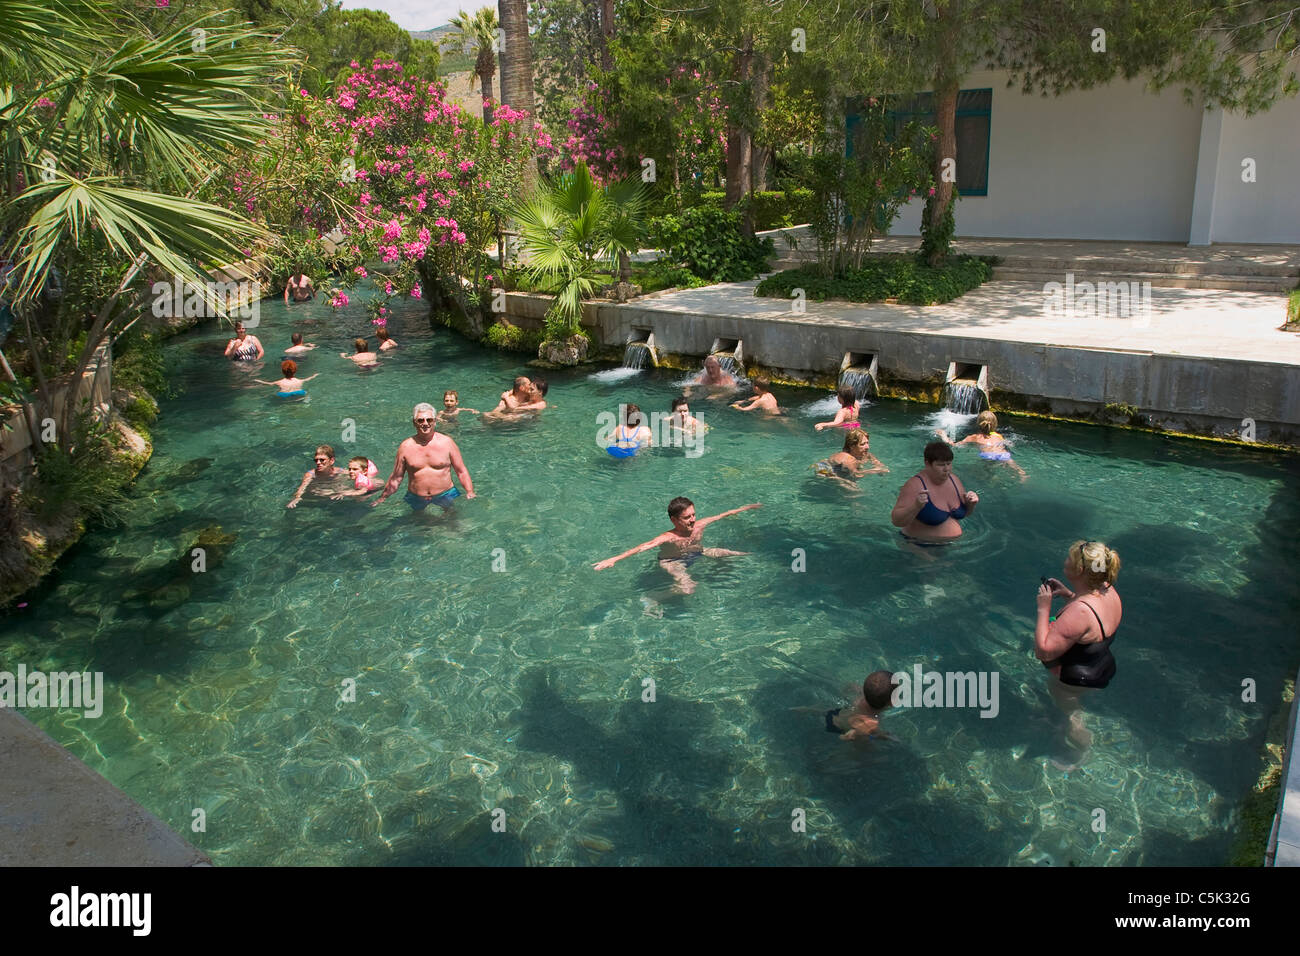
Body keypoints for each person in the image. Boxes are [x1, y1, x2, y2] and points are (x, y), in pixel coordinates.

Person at [1035, 540, 1122, 763]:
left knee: (1072, 716)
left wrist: (1043, 608)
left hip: (1074, 680)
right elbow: (1092, 620)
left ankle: (1079, 751)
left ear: (1080, 570)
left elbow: (1044, 651)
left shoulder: (1080, 612)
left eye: (1069, 558)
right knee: (1070, 708)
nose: (1065, 560)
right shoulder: (1108, 591)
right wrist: (1068, 594)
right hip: (1100, 665)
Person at [592, 497, 761, 595]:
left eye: (694, 515)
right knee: (688, 589)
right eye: (687, 517)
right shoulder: (669, 537)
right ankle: (655, 596)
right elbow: (643, 546)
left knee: (740, 554)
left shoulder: (700, 525)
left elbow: (722, 515)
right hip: (673, 561)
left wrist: (746, 508)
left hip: (698, 552)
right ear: (674, 520)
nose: (693, 520)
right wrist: (614, 559)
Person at [372, 403, 476, 512]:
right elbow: (396, 477)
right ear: (414, 423)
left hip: (446, 494)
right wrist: (382, 498)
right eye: (420, 420)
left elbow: (461, 471)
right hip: (416, 497)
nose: (425, 423)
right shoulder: (405, 447)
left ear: (435, 421)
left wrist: (470, 491)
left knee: (453, 525)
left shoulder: (447, 443)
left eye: (429, 420)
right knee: (417, 526)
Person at [890, 441, 978, 543]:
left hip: (951, 545)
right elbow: (896, 521)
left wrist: (971, 504)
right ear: (927, 464)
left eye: (949, 464)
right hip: (918, 545)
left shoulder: (954, 480)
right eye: (940, 465)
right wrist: (916, 506)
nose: (946, 469)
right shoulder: (915, 485)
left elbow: (966, 513)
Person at [936, 410, 1026, 480]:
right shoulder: (998, 436)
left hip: (987, 455)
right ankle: (1020, 473)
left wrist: (944, 436)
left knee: (987, 469)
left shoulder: (974, 437)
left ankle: (992, 477)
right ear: (995, 425)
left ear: (978, 424)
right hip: (1002, 454)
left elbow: (955, 445)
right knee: (1008, 461)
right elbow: (1007, 443)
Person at [825, 671, 896, 741]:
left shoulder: (861, 694)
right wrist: (885, 736)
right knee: (866, 746)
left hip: (835, 713)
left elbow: (851, 686)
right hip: (839, 729)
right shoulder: (871, 722)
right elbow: (876, 733)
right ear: (893, 703)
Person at [814, 429, 889, 485]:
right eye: (863, 444)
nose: (867, 447)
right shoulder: (848, 459)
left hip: (841, 469)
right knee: (855, 490)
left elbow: (878, 464)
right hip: (824, 470)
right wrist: (875, 471)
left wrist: (881, 470)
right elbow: (856, 475)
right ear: (852, 446)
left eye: (867, 443)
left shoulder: (866, 454)